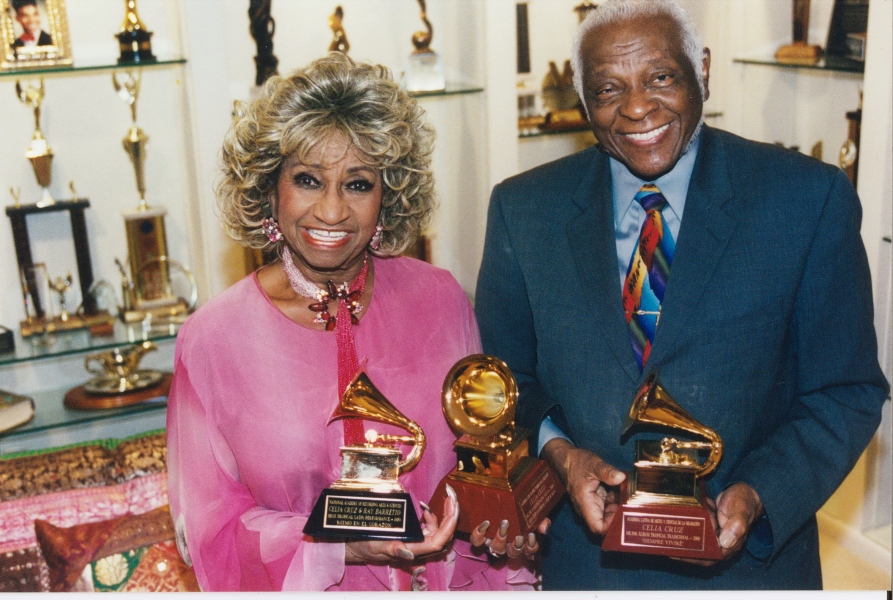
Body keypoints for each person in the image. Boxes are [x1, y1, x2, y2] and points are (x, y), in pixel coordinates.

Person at [475, 0, 888, 590]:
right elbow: (504, 377)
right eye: (609, 88)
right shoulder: (523, 209)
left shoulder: (805, 199)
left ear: (705, 70)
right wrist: (562, 455)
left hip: (750, 573)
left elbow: (846, 391)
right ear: (581, 98)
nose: (638, 107)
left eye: (661, 77)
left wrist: (758, 494)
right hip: (587, 571)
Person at [166, 52, 541, 592]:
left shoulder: (441, 299)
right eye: (308, 180)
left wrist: (509, 526)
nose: (333, 211)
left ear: (388, 197)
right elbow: (211, 533)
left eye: (359, 183)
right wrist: (332, 543)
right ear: (270, 189)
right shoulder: (212, 340)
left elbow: (478, 466)